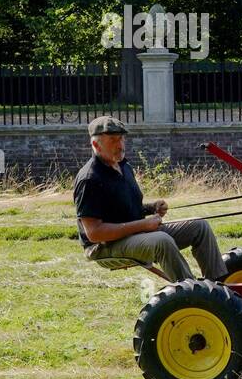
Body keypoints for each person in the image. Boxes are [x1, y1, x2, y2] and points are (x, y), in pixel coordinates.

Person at [74, 116, 226, 283]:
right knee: (162, 241)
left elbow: (122, 207)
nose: (120, 145)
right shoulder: (89, 179)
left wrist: (151, 208)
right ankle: (192, 294)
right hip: (104, 246)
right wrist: (143, 224)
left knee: (199, 226)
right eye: (113, 140)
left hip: (133, 233)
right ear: (96, 145)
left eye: (122, 138)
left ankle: (219, 284)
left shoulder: (123, 166)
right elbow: (95, 233)